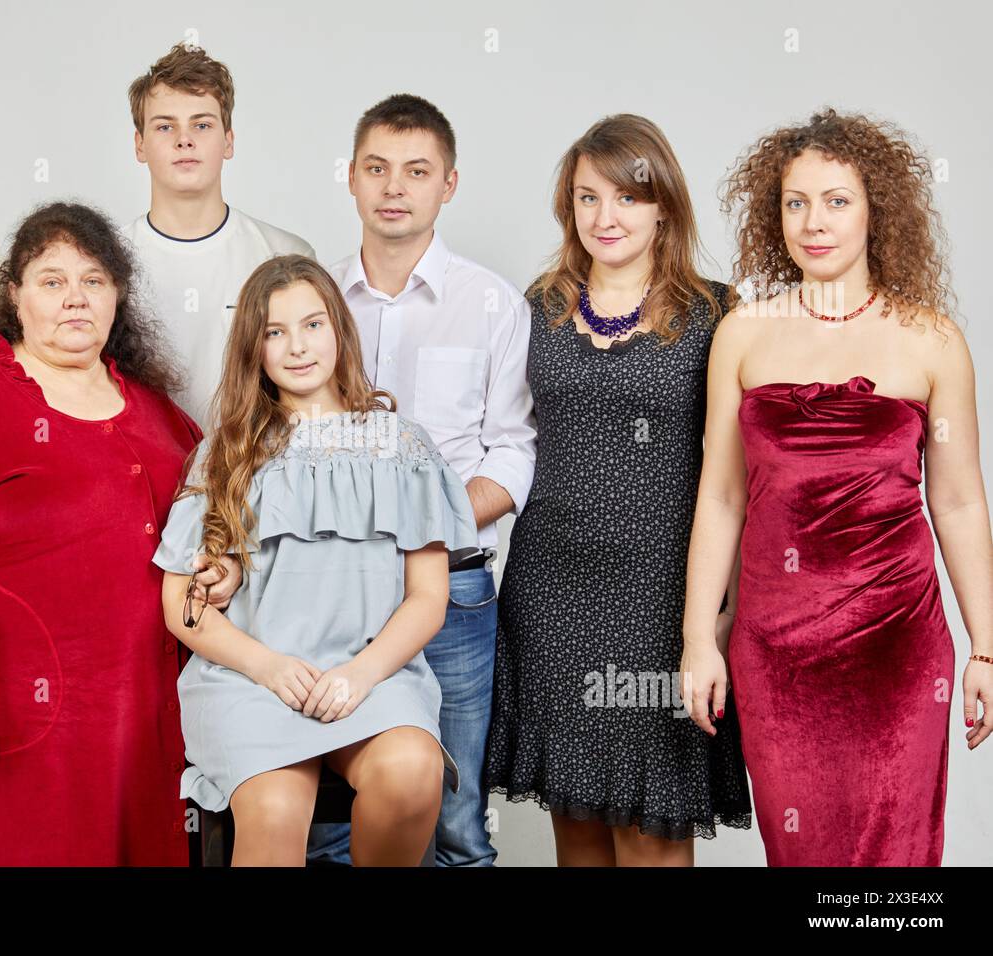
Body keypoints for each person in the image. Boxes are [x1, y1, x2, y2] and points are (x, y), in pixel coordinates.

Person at [0, 202, 240, 865]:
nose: (76, 299)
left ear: (117, 296)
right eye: (52, 280)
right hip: (20, 720)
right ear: (15, 295)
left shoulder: (160, 415)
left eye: (94, 281)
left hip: (144, 719)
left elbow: (208, 532)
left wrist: (218, 567)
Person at [682, 108, 993, 865]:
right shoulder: (744, 333)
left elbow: (956, 500)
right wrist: (698, 637)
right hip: (776, 647)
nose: (813, 222)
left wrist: (986, 645)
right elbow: (721, 496)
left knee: (894, 861)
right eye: (796, 202)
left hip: (897, 643)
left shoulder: (932, 338)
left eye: (836, 201)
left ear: (875, 211)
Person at [484, 114, 752, 867]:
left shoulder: (717, 315)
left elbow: (739, 480)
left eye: (628, 198)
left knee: (652, 839)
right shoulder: (536, 308)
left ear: (663, 203)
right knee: (578, 833)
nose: (607, 217)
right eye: (586, 198)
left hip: (663, 602)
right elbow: (498, 438)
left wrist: (721, 615)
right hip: (549, 597)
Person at [153, 254, 479, 866]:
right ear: (254, 348)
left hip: (373, 676)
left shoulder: (402, 446)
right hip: (253, 681)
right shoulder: (225, 454)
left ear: (339, 330)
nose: (297, 347)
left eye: (313, 324)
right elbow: (181, 603)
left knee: (413, 773)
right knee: (275, 813)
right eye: (274, 332)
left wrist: (361, 673)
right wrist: (269, 667)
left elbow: (428, 596)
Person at [305, 94, 535, 867]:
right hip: (332, 589)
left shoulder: (493, 304)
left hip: (456, 593)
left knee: (457, 816)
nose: (393, 187)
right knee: (332, 815)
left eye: (416, 171)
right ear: (352, 179)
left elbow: (512, 451)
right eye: (376, 168)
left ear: (450, 184)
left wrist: (431, 523)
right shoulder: (315, 303)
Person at [125, 42, 315, 431]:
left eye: (202, 124)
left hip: (255, 476)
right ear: (139, 145)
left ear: (228, 141)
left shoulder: (285, 255)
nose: (184, 139)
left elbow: (311, 385)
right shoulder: (106, 262)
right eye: (165, 126)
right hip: (141, 476)